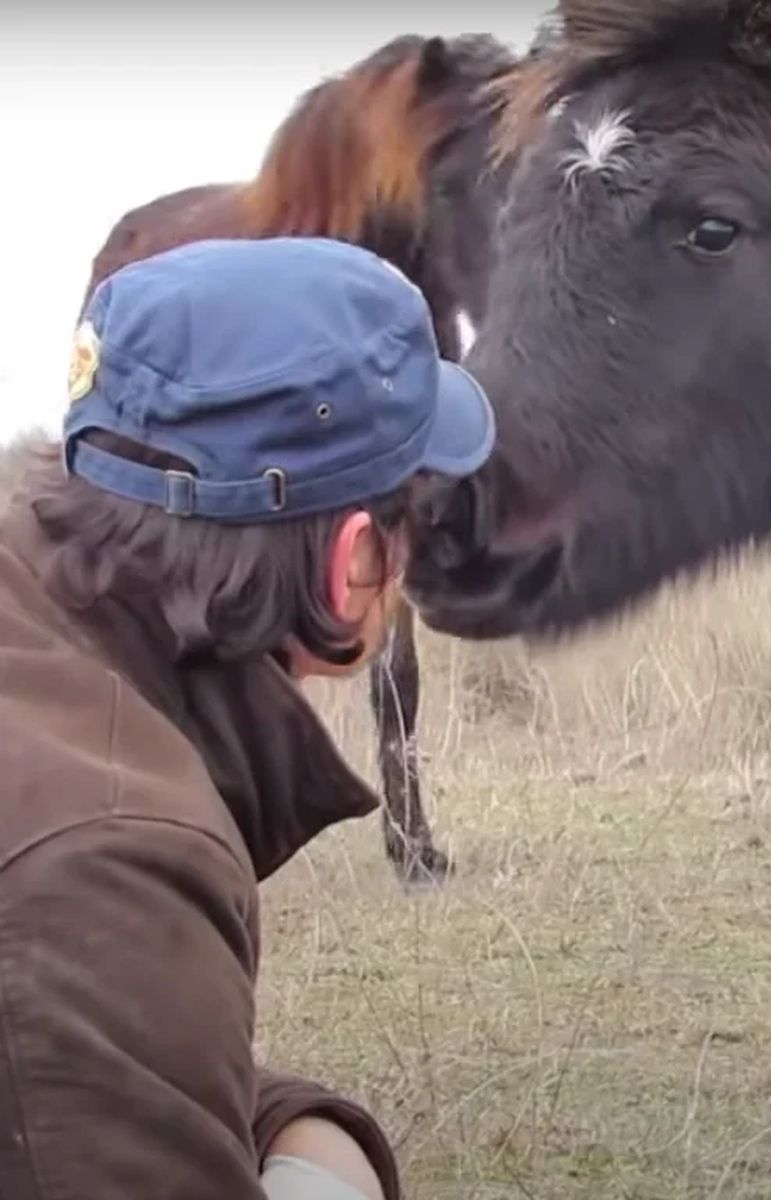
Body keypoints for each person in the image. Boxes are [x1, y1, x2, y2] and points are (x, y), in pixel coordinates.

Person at [0, 236, 496, 1199]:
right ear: (353, 564)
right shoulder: (109, 860)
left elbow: (57, 1074)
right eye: (413, 522)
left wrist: (296, 1117)